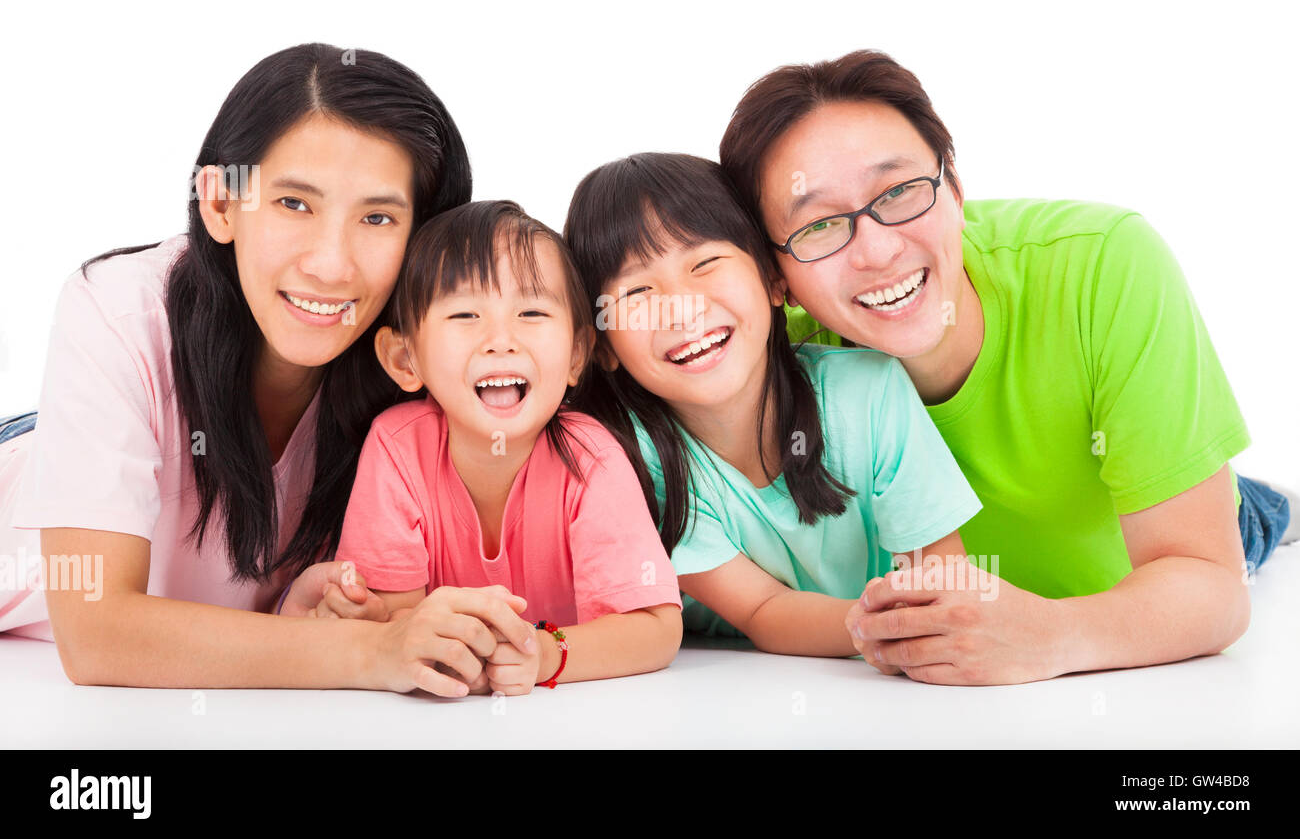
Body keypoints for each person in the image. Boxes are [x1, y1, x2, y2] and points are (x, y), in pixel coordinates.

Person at [718, 49, 1294, 684]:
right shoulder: (760, 358)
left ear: (956, 188)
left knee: (1251, 515)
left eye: (901, 191)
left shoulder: (1105, 264)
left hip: (1140, 546)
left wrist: (1051, 638)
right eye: (821, 224)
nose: (878, 250)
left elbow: (1213, 587)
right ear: (778, 279)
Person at [0, 43, 539, 695]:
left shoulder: (423, 356)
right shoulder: (115, 310)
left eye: (377, 217)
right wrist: (372, 652)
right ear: (221, 205)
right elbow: (98, 635)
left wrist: (317, 612)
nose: (331, 265)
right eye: (294, 204)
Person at [564, 152, 981, 657]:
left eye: (704, 263)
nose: (682, 307)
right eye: (636, 291)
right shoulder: (631, 458)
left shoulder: (869, 391)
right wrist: (891, 629)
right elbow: (764, 610)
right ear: (601, 346)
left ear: (773, 279)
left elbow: (944, 578)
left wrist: (930, 621)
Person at [292, 201, 682, 694]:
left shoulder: (591, 457)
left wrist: (545, 654)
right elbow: (396, 623)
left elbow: (655, 630)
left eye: (533, 312)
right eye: (465, 313)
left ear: (576, 355)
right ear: (404, 358)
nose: (501, 340)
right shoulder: (397, 448)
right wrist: (370, 616)